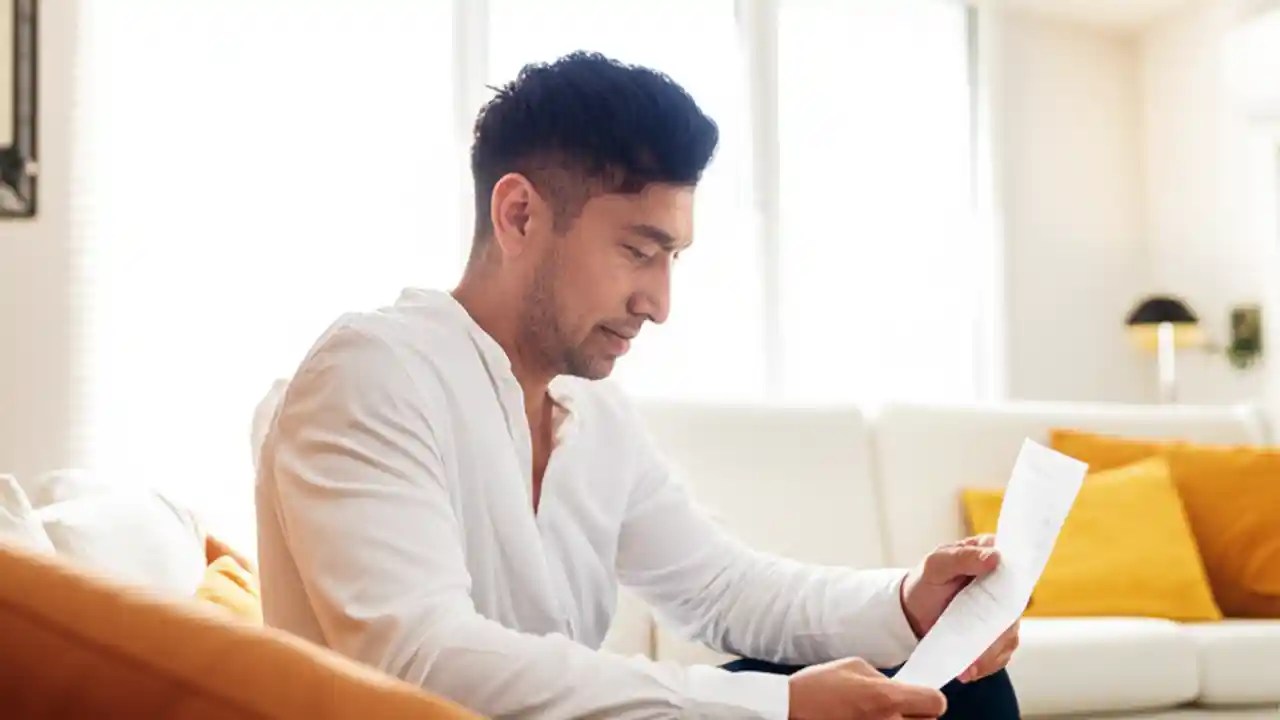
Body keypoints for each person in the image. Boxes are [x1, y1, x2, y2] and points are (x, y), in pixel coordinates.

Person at [256, 51, 1020, 719]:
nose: (658, 303)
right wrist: (770, 705)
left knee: (956, 686)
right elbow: (425, 659)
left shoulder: (592, 413)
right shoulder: (372, 372)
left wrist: (908, 605)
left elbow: (725, 589)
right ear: (519, 214)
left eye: (671, 260)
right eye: (637, 251)